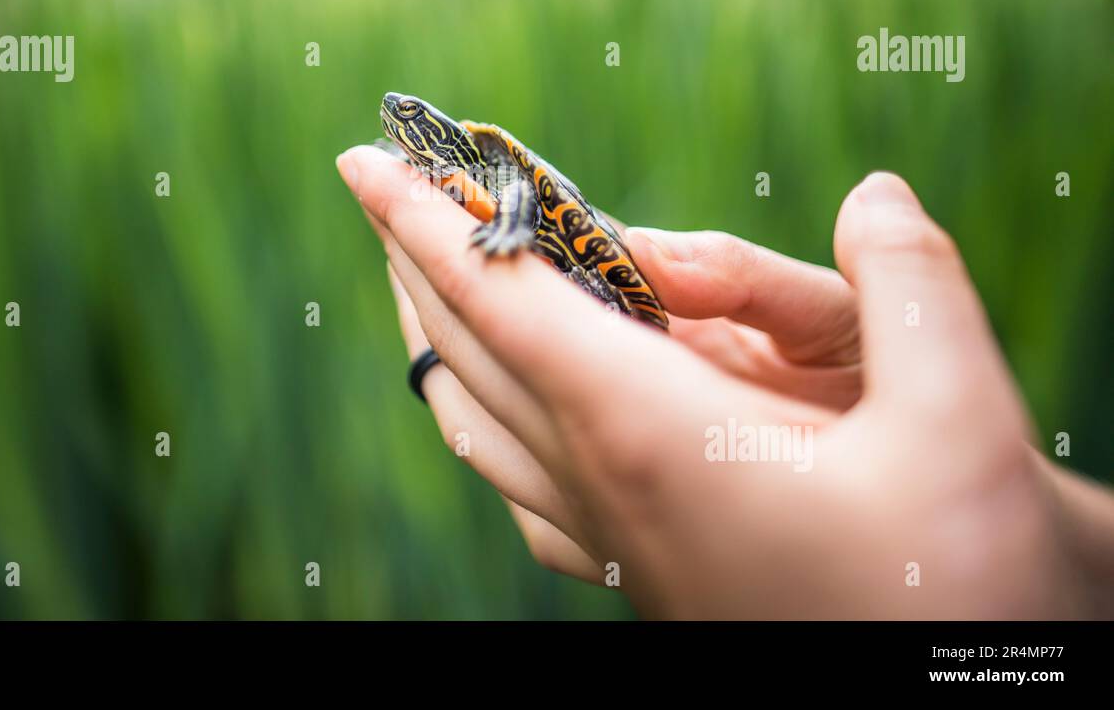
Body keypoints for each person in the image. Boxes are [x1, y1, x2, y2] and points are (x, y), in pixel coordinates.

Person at [336, 145, 1114, 618]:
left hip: (603, 281)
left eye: (414, 117)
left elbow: (523, 190)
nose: (402, 120)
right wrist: (1062, 554)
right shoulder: (454, 174)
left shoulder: (493, 167)